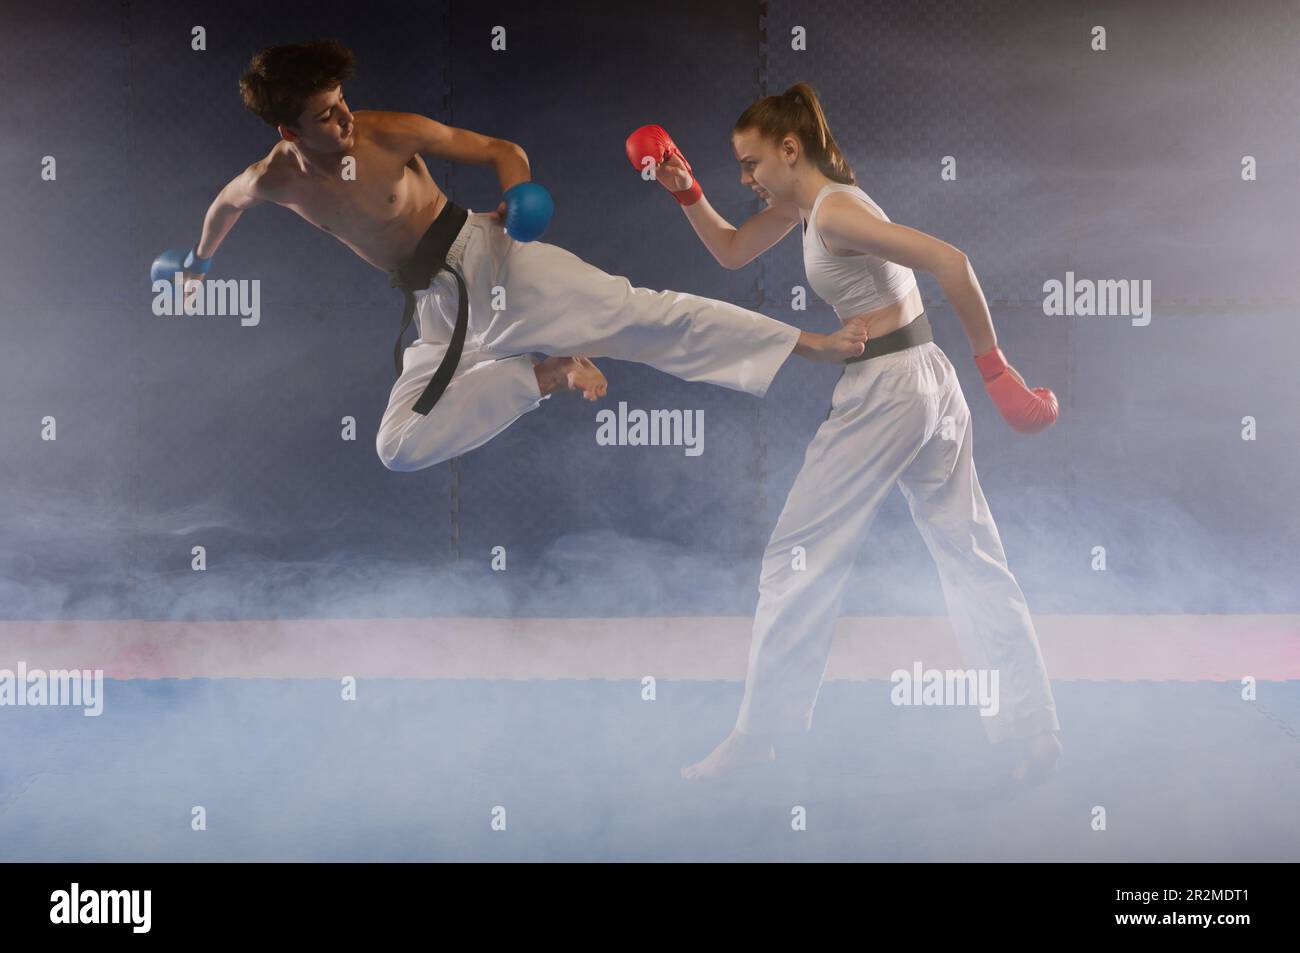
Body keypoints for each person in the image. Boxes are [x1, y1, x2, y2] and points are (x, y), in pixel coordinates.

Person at [154, 41, 870, 471]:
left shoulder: (385, 133)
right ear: (288, 129)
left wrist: (519, 194)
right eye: (325, 116)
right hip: (437, 315)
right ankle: (546, 373)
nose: (344, 120)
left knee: (645, 318)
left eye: (343, 103)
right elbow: (226, 205)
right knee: (398, 445)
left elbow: (501, 150)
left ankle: (808, 342)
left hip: (490, 262)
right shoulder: (271, 177)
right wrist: (196, 265)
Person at [635, 83, 1062, 784]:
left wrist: (998, 369)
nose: (744, 179)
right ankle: (1035, 728)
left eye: (750, 163)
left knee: (794, 556)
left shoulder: (831, 211)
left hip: (890, 389)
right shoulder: (812, 206)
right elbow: (734, 251)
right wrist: (687, 193)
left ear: (789, 149)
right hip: (928, 381)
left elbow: (952, 261)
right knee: (971, 555)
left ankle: (758, 735)